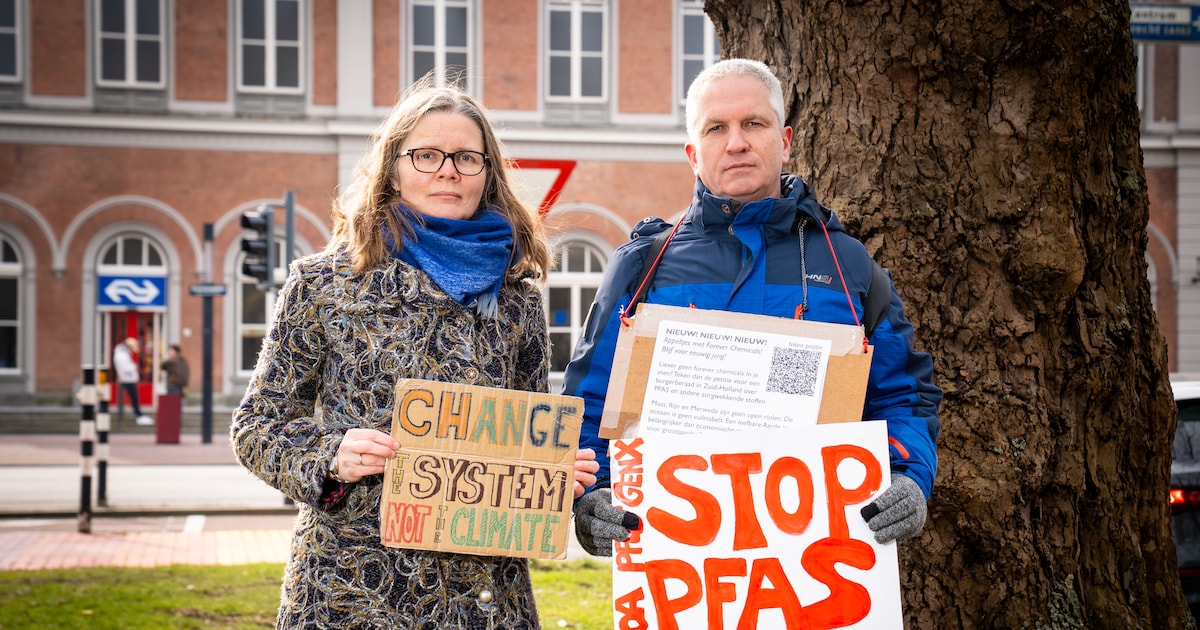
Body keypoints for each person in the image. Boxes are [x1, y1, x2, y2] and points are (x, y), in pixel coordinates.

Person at [230, 77, 599, 629]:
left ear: (487, 174)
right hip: (352, 593)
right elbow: (256, 425)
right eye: (426, 155)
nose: (447, 170)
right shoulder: (324, 284)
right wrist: (331, 454)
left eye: (466, 158)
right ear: (394, 168)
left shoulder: (517, 299)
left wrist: (552, 474)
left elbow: (521, 432)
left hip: (484, 598)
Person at [565, 59, 942, 555]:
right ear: (693, 154)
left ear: (784, 141)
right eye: (716, 128)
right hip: (678, 564)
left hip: (814, 558)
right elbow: (590, 408)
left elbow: (903, 395)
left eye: (754, 124)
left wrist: (907, 475)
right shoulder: (642, 267)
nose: (736, 142)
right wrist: (593, 498)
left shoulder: (847, 263)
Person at [113, 337, 153, 426]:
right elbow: (125, 368)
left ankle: (139, 414)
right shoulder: (121, 355)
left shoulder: (123, 353)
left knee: (135, 398)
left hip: (128, 379)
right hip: (127, 379)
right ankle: (138, 415)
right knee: (134, 398)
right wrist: (133, 368)